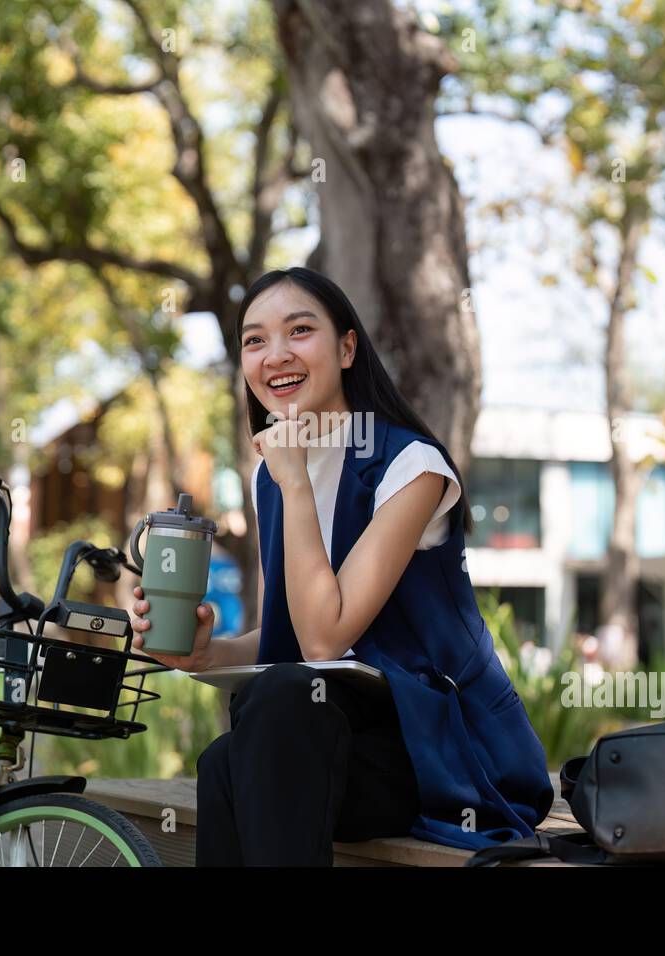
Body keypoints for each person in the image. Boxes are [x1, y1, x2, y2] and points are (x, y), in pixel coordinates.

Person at [128, 266, 554, 866]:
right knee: (224, 758)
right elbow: (292, 637)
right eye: (254, 340)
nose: (275, 355)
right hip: (335, 743)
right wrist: (207, 652)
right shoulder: (271, 477)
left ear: (347, 347)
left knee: (278, 708)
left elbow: (326, 637)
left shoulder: (411, 467)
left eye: (299, 331)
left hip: (446, 755)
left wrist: (295, 480)